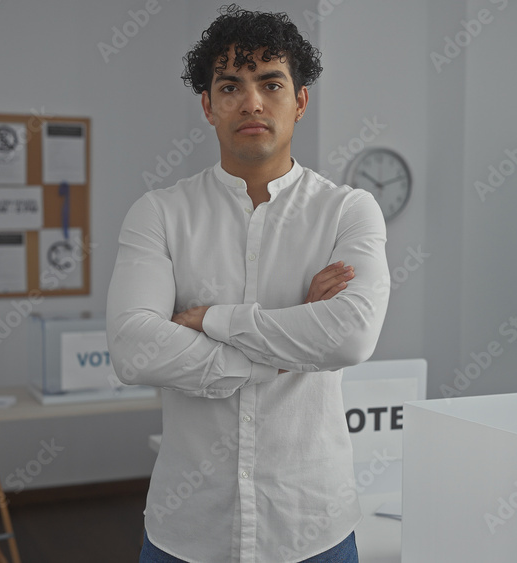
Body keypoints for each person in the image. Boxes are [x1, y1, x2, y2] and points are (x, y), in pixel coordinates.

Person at [106, 5, 390, 562]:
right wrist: (292, 342)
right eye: (231, 85)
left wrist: (214, 320)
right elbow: (132, 349)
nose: (252, 102)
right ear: (208, 106)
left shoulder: (349, 211)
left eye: (271, 83)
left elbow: (352, 338)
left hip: (312, 528)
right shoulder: (159, 214)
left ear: (300, 101)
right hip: (187, 532)